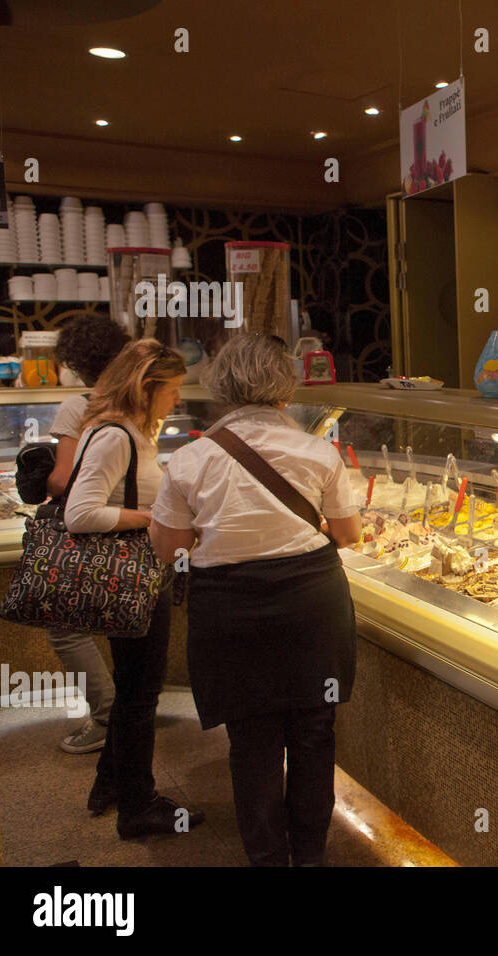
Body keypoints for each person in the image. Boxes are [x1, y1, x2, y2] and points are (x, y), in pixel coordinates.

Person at [150, 334, 361, 866]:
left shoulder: (190, 457)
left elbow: (168, 546)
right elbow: (349, 533)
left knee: (251, 742)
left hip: (229, 607)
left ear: (221, 387)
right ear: (284, 388)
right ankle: (309, 858)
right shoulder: (317, 450)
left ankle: (268, 861)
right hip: (311, 601)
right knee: (314, 735)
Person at [63, 338, 204, 838]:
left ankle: (111, 785)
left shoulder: (126, 431)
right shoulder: (115, 436)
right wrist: (152, 518)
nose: (176, 401)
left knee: (133, 690)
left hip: (140, 574)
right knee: (142, 694)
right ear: (145, 388)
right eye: (171, 391)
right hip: (131, 577)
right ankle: (138, 806)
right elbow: (80, 514)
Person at [45, 315, 130, 753]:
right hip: (135, 527)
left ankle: (107, 715)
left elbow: (63, 482)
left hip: (92, 529)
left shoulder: (79, 406)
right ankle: (133, 711)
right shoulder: (139, 400)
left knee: (63, 626)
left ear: (76, 363)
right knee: (129, 627)